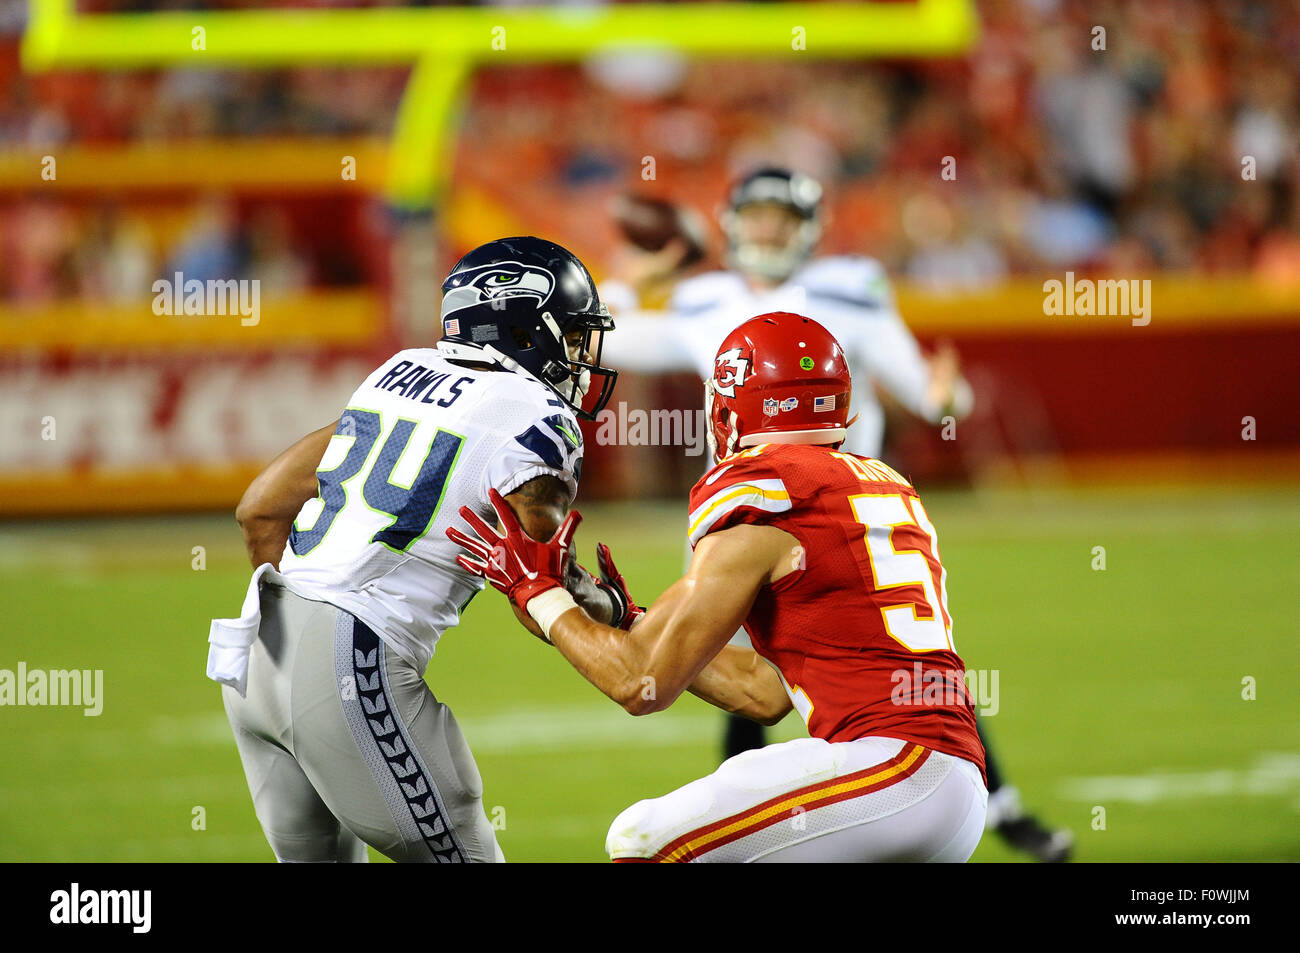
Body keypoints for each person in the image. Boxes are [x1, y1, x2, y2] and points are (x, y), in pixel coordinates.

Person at [605, 168, 1072, 862]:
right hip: (763, 521)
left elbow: (923, 387)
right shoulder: (707, 300)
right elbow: (607, 341)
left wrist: (947, 398)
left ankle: (992, 802)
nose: (766, 231)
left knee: (889, 676)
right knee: (780, 678)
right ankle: (765, 822)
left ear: (810, 230)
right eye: (756, 216)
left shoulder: (847, 291)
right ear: (731, 225)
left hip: (838, 526)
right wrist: (632, 280)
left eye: (780, 218)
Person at [448, 312, 988, 862]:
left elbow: (641, 683)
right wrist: (627, 618)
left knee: (642, 838)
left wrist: (537, 591)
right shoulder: (870, 482)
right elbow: (764, 689)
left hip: (894, 769)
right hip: (943, 783)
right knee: (740, 784)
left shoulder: (767, 488)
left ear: (735, 402)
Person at [206, 236, 625, 862]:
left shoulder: (398, 372)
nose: (579, 357)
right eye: (569, 336)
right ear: (522, 327)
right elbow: (538, 588)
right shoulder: (536, 415)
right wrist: (610, 609)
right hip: (352, 658)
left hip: (256, 653)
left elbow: (259, 507)